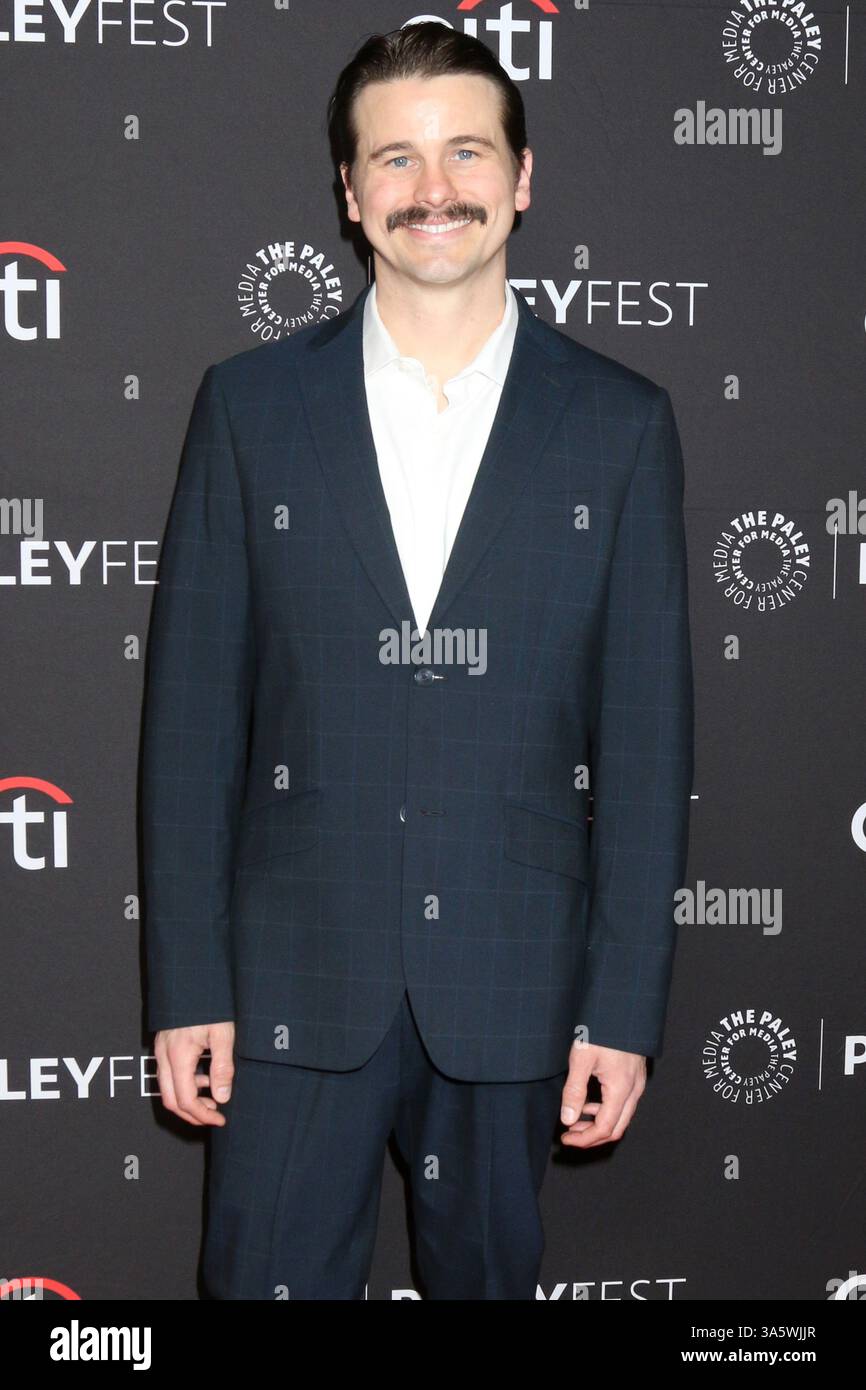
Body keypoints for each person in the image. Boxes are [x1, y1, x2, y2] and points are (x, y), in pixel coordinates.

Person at [140, 21, 694, 1301]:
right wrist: (187, 984)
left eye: (462, 151)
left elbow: (648, 741)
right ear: (349, 192)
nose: (429, 187)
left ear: (522, 174)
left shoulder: (620, 425)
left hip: (514, 980)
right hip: (286, 986)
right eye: (392, 158)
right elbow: (188, 726)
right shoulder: (248, 406)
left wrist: (621, 1008)